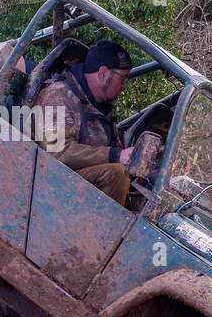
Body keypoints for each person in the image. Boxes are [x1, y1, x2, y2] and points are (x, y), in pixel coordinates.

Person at [30, 40, 134, 204]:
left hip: (74, 185)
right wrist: (115, 156)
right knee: (117, 174)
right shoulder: (56, 96)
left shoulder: (100, 107)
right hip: (48, 185)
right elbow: (59, 152)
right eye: (123, 78)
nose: (124, 86)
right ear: (103, 73)